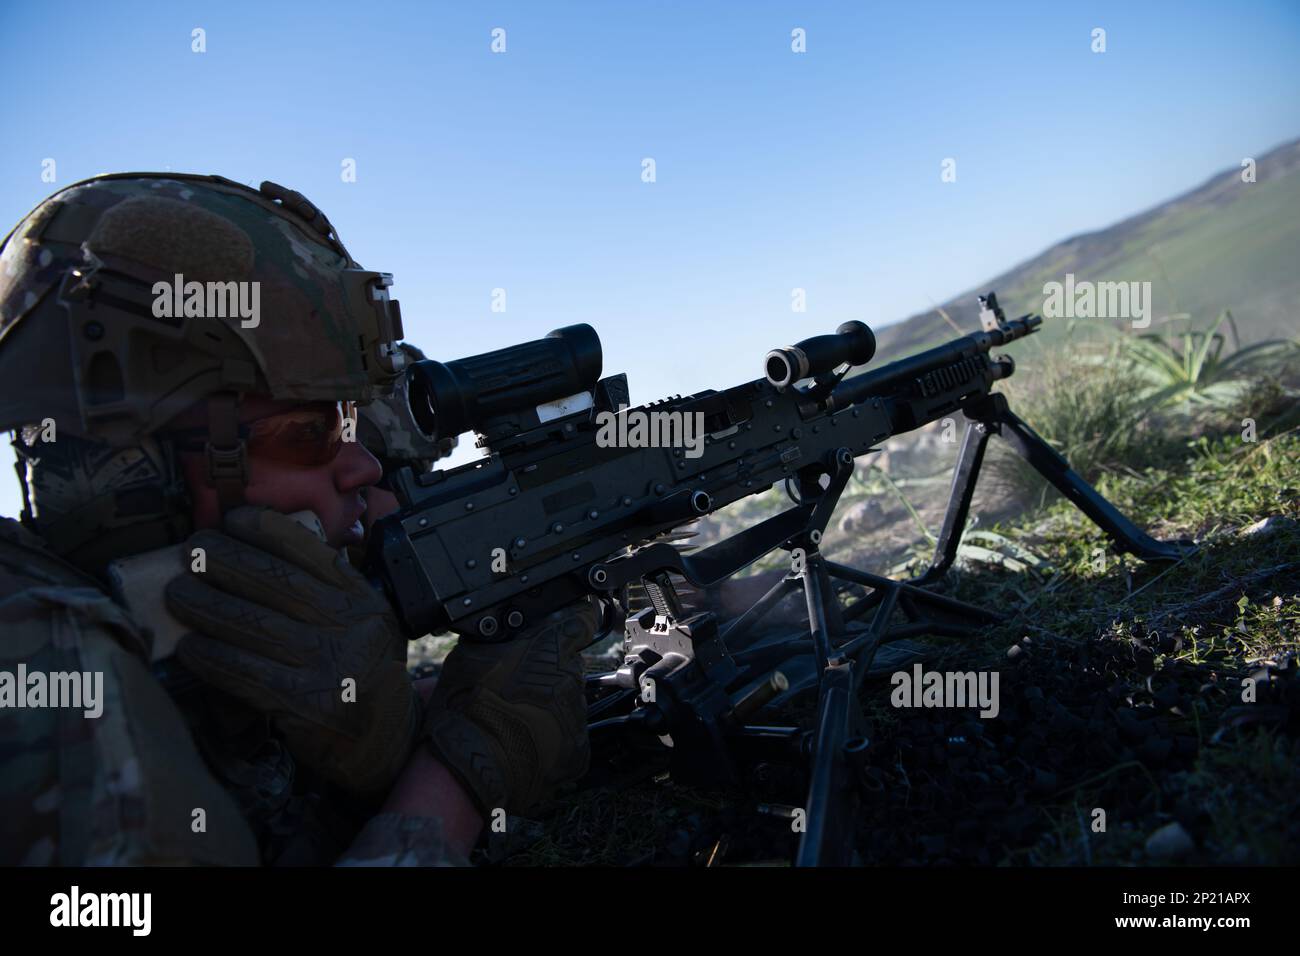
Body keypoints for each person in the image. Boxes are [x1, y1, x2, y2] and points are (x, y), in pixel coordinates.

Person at [0, 173, 592, 865]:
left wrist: (386, 725)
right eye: (306, 436)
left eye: (351, 424)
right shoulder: (43, 664)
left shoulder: (148, 636)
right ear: (131, 474)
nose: (363, 471)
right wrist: (458, 780)